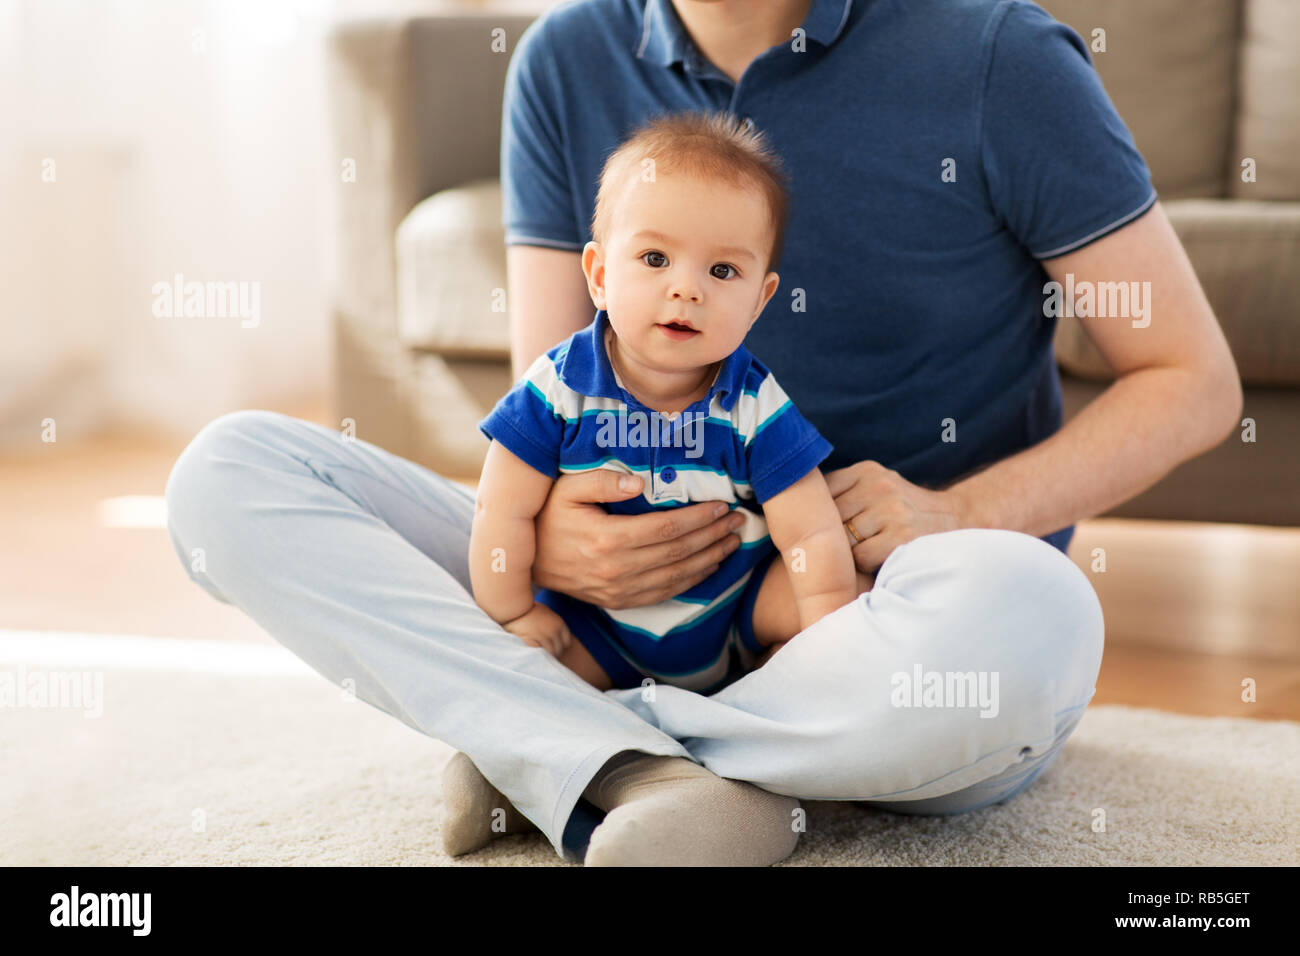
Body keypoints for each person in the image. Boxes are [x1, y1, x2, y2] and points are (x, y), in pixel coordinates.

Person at [163, 0, 1241, 866]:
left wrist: (955, 510)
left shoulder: (998, 52)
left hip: (873, 618)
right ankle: (639, 762)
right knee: (231, 474)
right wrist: (542, 543)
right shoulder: (564, 57)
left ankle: (560, 743)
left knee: (1034, 614)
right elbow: (549, 397)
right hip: (599, 601)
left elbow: (1193, 382)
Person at [471, 111, 867, 693]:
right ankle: (575, 752)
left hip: (735, 614)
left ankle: (778, 709)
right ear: (600, 276)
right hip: (593, 630)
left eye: (723, 270)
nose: (688, 288)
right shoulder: (557, 389)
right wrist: (514, 614)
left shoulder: (754, 403)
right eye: (655, 259)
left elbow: (810, 535)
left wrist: (825, 642)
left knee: (856, 591)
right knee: (517, 676)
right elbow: (500, 512)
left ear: (759, 301)